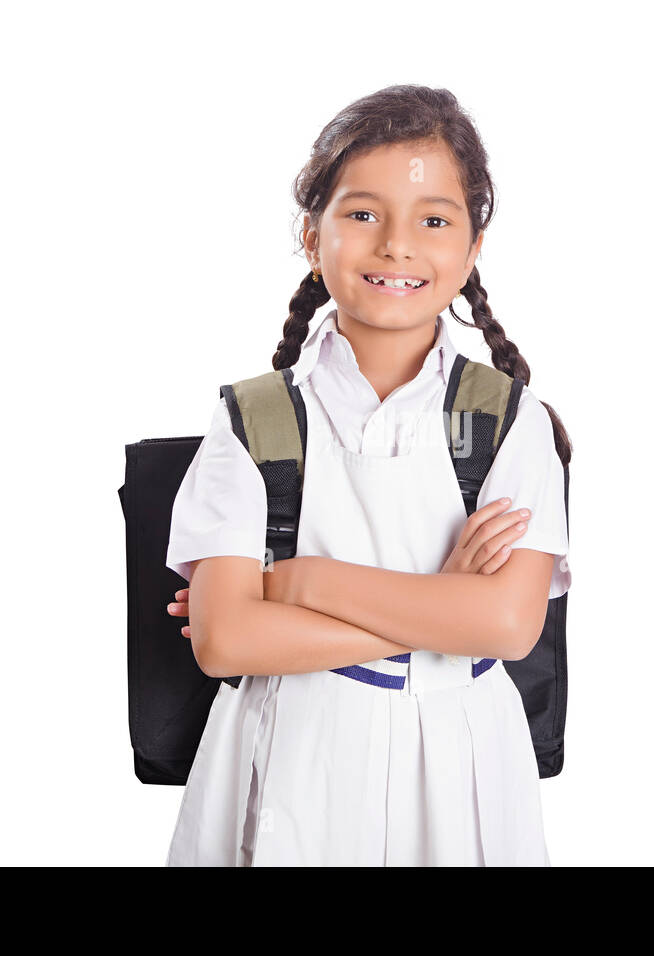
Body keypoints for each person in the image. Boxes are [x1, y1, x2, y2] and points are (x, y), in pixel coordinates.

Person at [162, 85, 572, 866]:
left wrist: (302, 580)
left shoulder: (508, 421)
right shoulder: (254, 421)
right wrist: (443, 607)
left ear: (473, 246)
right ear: (312, 235)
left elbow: (508, 626)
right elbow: (225, 640)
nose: (396, 244)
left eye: (435, 219)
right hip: (292, 756)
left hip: (463, 766)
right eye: (362, 214)